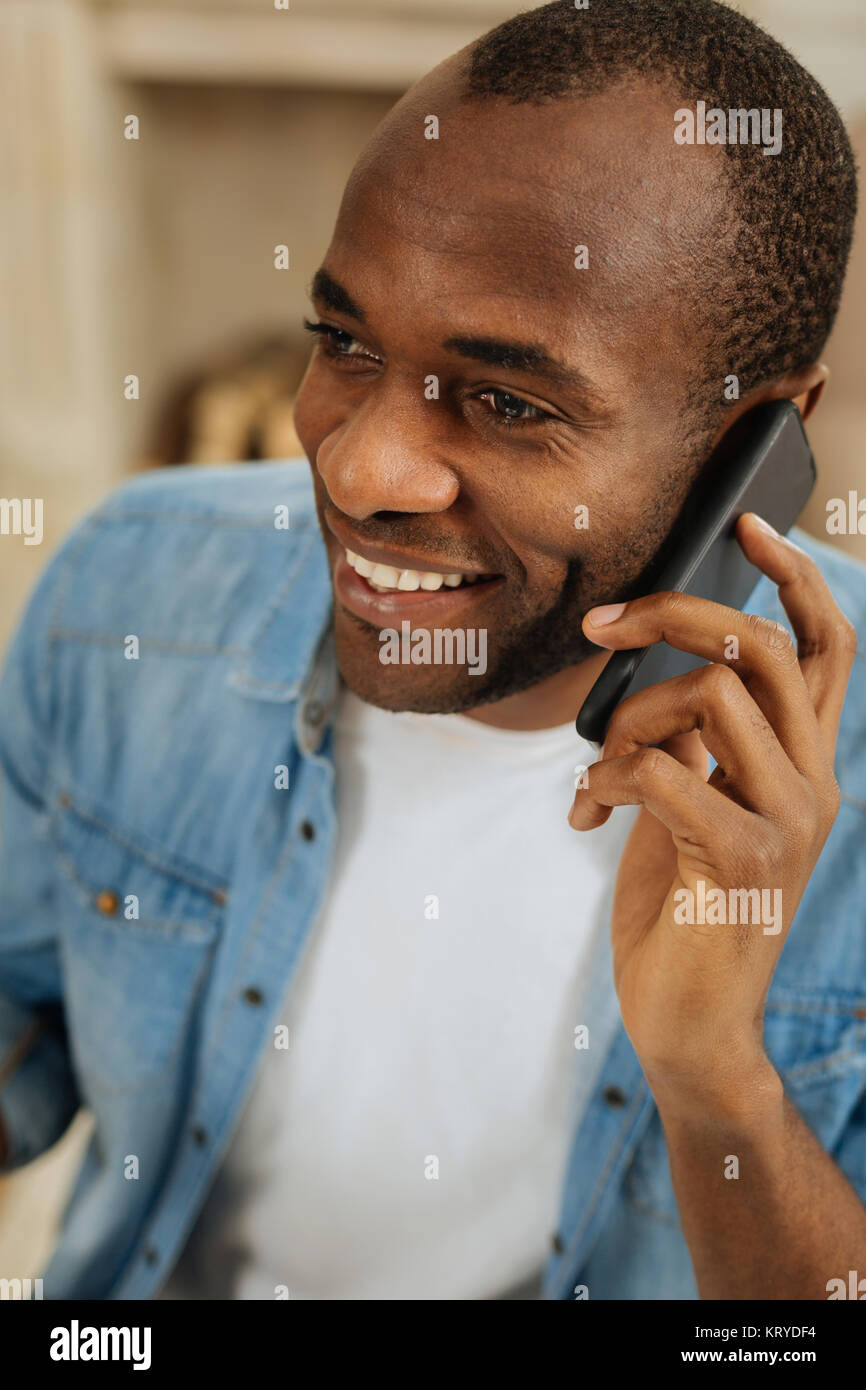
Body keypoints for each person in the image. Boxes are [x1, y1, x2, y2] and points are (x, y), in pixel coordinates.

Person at [1, 0, 865, 1301]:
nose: (357, 467)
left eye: (509, 401)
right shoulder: (132, 589)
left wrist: (717, 1085)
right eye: (343, 343)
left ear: (753, 435)